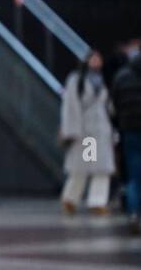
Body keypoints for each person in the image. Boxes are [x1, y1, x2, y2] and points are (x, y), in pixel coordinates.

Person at [59, 50, 115, 215]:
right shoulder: (77, 79)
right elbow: (70, 105)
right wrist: (71, 129)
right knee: (82, 166)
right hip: (85, 130)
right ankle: (70, 198)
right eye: (94, 58)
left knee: (102, 168)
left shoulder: (104, 80)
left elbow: (108, 105)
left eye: (99, 59)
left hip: (101, 129)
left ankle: (97, 201)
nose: (97, 62)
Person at [110, 38, 141, 233]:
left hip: (129, 131)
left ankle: (133, 213)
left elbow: (114, 105)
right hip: (92, 138)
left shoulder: (122, 76)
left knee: (134, 175)